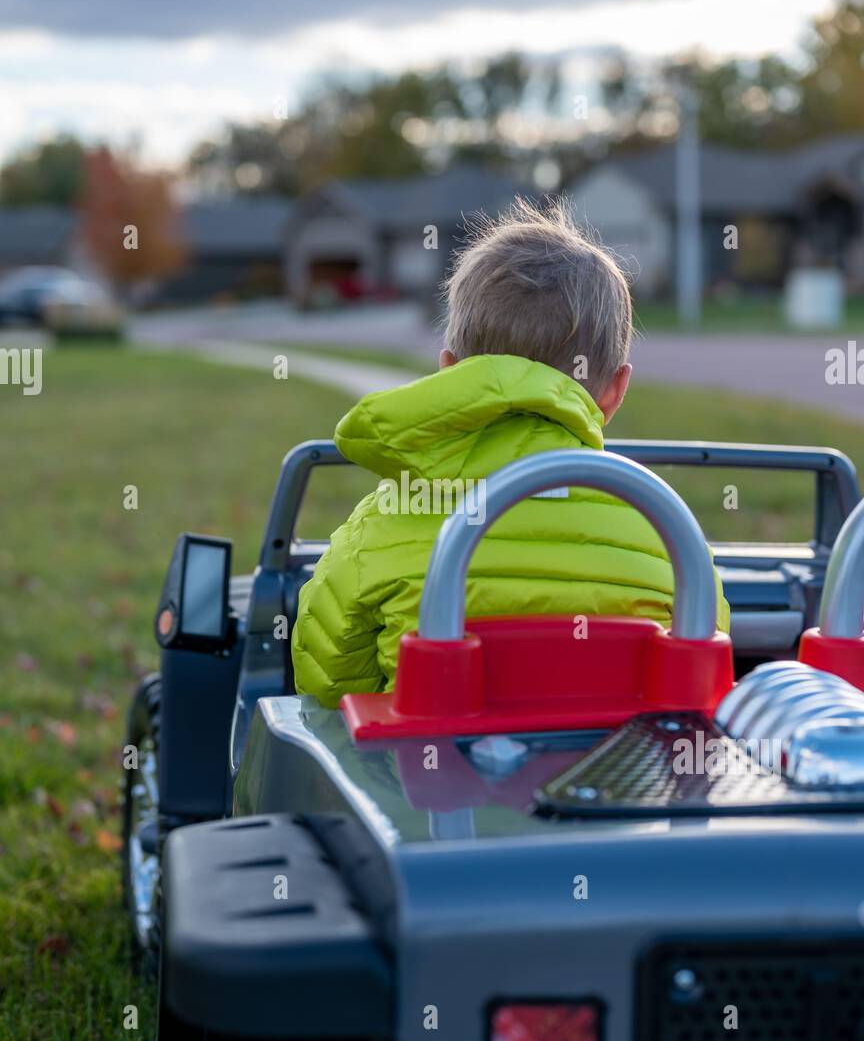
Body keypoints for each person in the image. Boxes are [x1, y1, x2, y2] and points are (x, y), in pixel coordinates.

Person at [292, 198, 729, 707]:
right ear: (615, 390)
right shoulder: (670, 537)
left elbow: (326, 684)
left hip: (429, 782)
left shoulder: (386, 521)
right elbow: (701, 672)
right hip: (617, 779)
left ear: (449, 368)